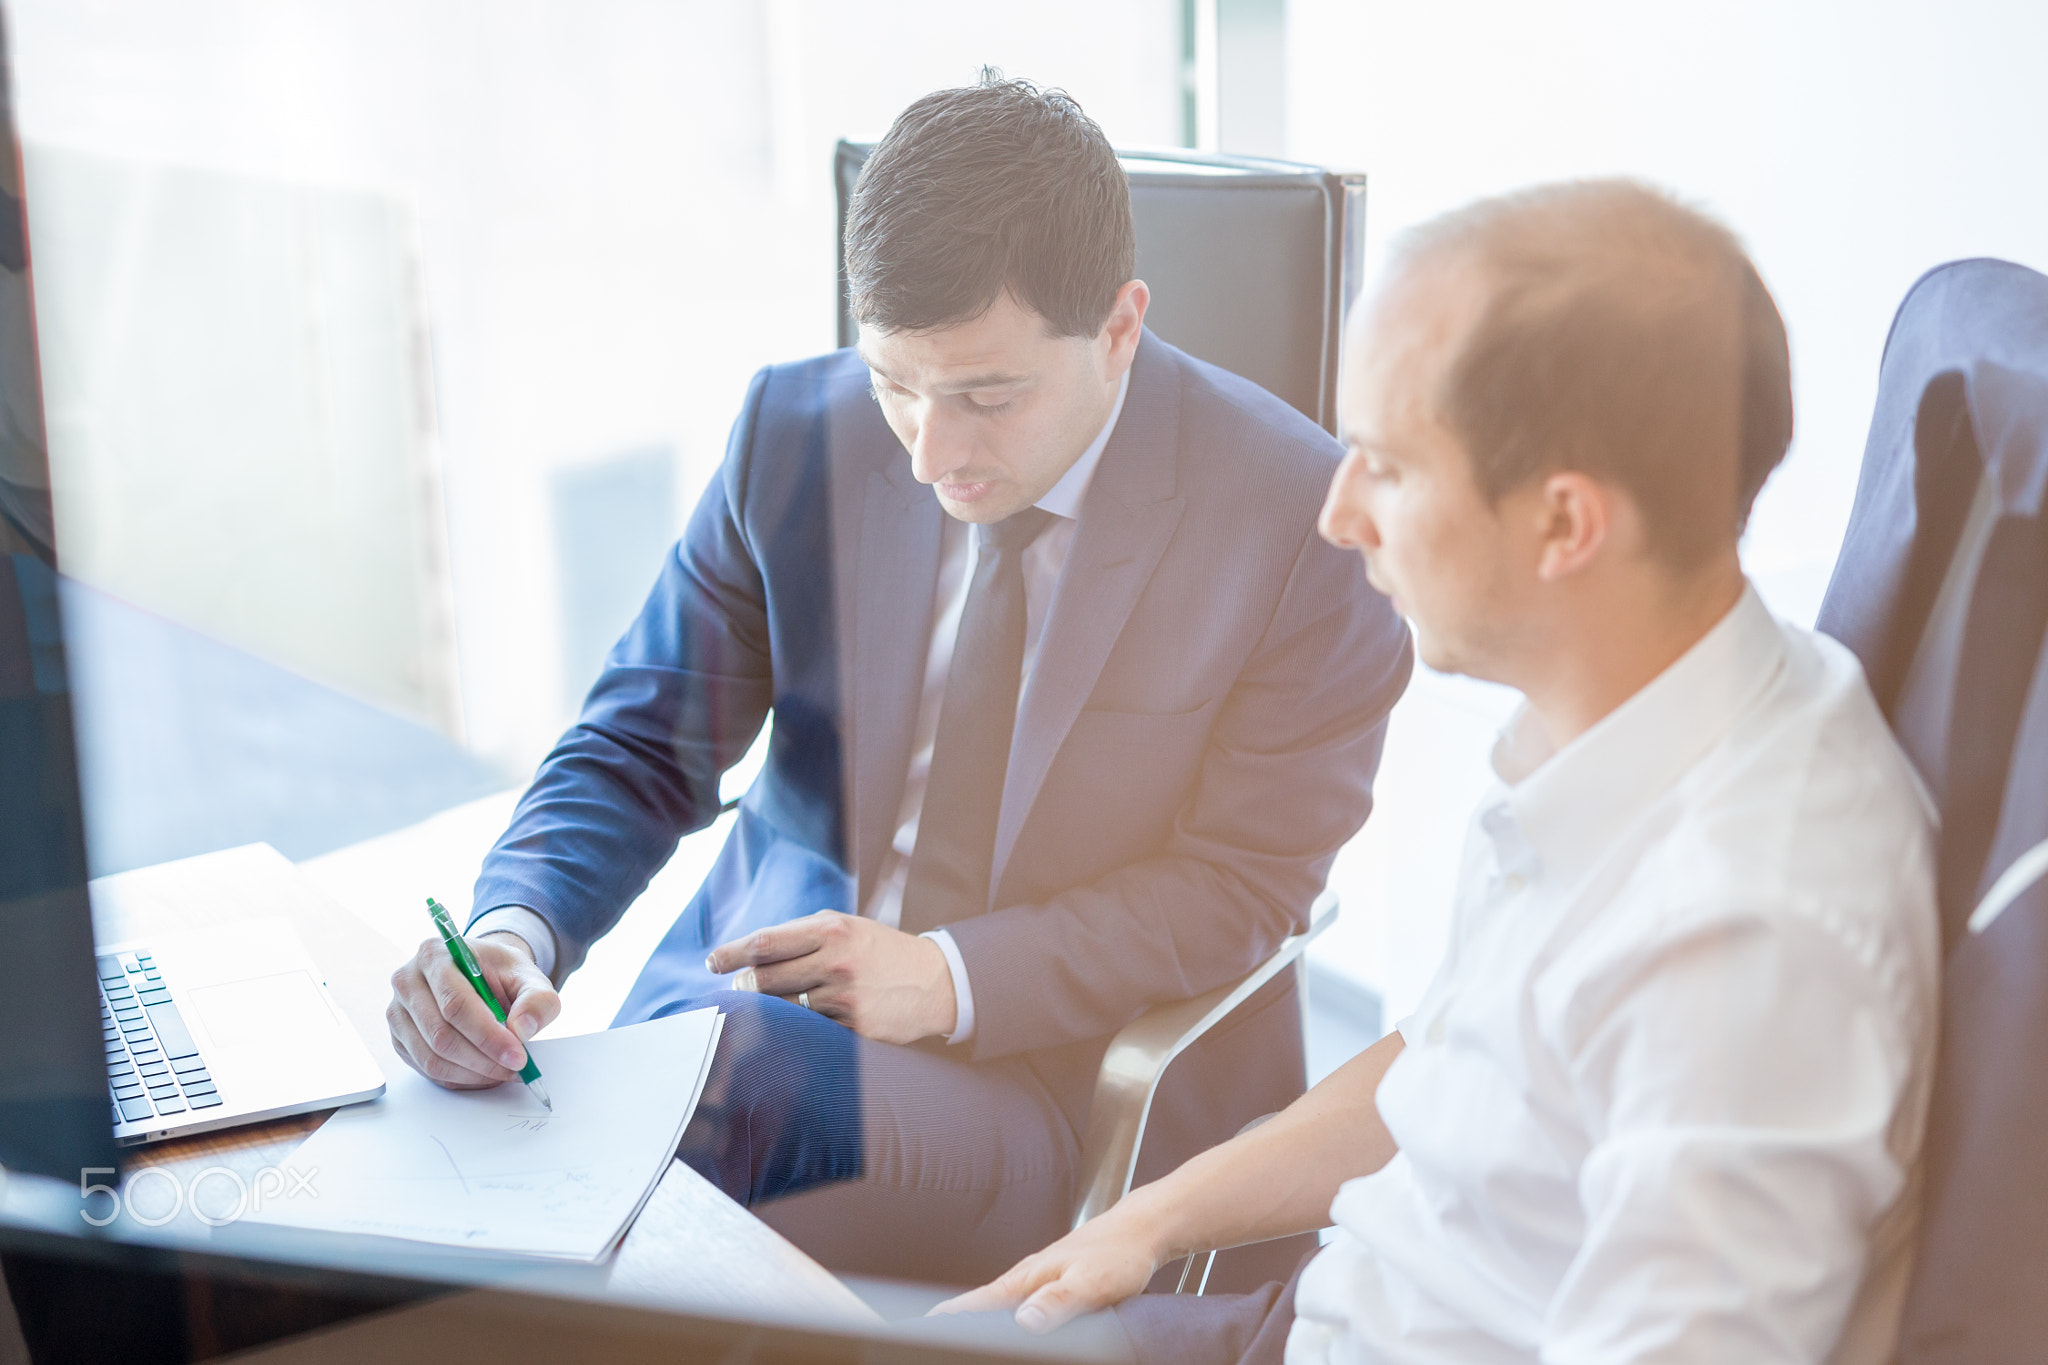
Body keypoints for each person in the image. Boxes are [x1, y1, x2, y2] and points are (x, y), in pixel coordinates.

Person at [382, 73, 1413, 1286]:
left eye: (984, 395)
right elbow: (644, 739)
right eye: (894, 382)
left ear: (1121, 328)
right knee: (518, 1128)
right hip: (741, 1021)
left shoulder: (1302, 525)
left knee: (666, 1136)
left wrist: (952, 980)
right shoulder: (794, 432)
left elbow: (1239, 886)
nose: (929, 452)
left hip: (1044, 1076)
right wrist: (516, 931)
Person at [940, 180, 1941, 1364]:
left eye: (1385, 464)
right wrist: (1143, 1223)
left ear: (1564, 526)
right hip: (1316, 1315)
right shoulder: (1627, 723)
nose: (1336, 514)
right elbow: (1454, 1062)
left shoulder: (1742, 943)